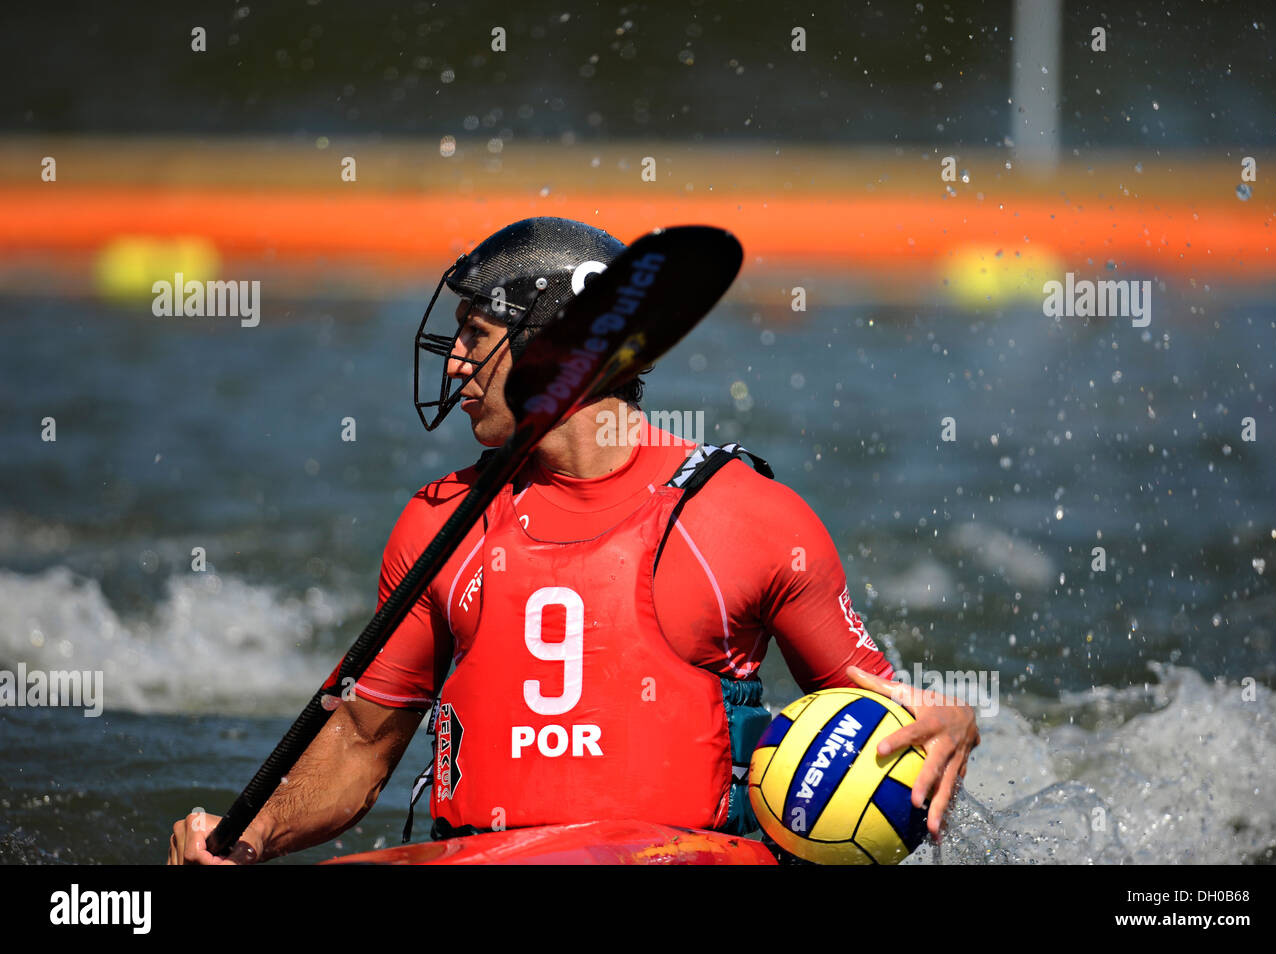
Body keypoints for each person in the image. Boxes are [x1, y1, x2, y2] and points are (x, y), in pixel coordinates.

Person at [168, 216, 979, 865]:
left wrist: (952, 726)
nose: (453, 363)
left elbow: (887, 720)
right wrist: (248, 839)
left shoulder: (745, 515)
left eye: (475, 336)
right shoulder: (436, 521)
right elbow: (358, 744)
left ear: (556, 348)